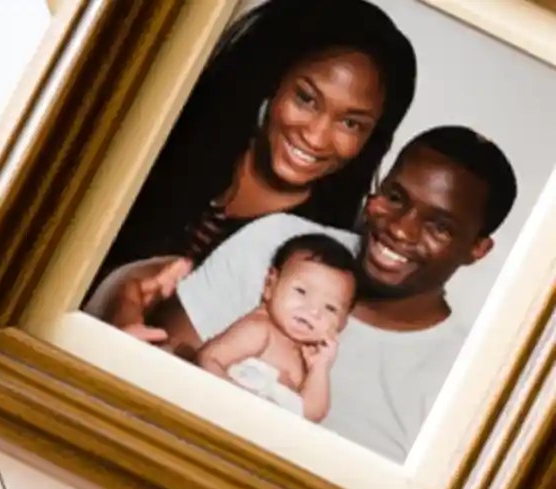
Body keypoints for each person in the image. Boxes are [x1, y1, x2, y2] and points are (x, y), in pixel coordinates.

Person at [105, 125, 518, 462]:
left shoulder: (461, 381)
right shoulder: (283, 243)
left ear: (477, 250)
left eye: (439, 227)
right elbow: (154, 374)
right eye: (394, 198)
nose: (400, 229)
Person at [84, 0, 417, 309]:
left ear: (372, 138)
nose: (315, 138)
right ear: (273, 84)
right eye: (306, 99)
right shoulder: (168, 140)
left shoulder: (326, 257)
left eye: (350, 123)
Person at [195, 233, 358, 423]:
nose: (313, 311)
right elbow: (208, 358)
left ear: (342, 323)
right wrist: (236, 401)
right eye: (301, 291)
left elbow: (311, 414)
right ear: (270, 285)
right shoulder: (260, 330)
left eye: (330, 307)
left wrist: (320, 368)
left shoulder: (308, 359)